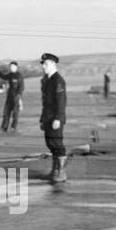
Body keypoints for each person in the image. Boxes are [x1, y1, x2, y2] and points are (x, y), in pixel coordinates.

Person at [39, 52, 68, 183]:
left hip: (55, 119)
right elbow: (45, 103)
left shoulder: (58, 80)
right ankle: (55, 170)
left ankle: (61, 172)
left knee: (57, 144)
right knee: (50, 144)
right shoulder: (47, 80)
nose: (43, 66)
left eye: (45, 64)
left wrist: (58, 118)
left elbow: (61, 102)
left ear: (52, 64)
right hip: (48, 118)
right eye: (43, 64)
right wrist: (42, 119)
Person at [0, 61, 23, 132]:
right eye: (10, 67)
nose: (10, 68)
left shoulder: (19, 75)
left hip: (16, 96)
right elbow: (3, 77)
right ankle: (4, 126)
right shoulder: (10, 75)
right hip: (9, 96)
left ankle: (13, 127)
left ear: (16, 67)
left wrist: (19, 99)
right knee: (6, 112)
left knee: (15, 113)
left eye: (12, 66)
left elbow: (21, 87)